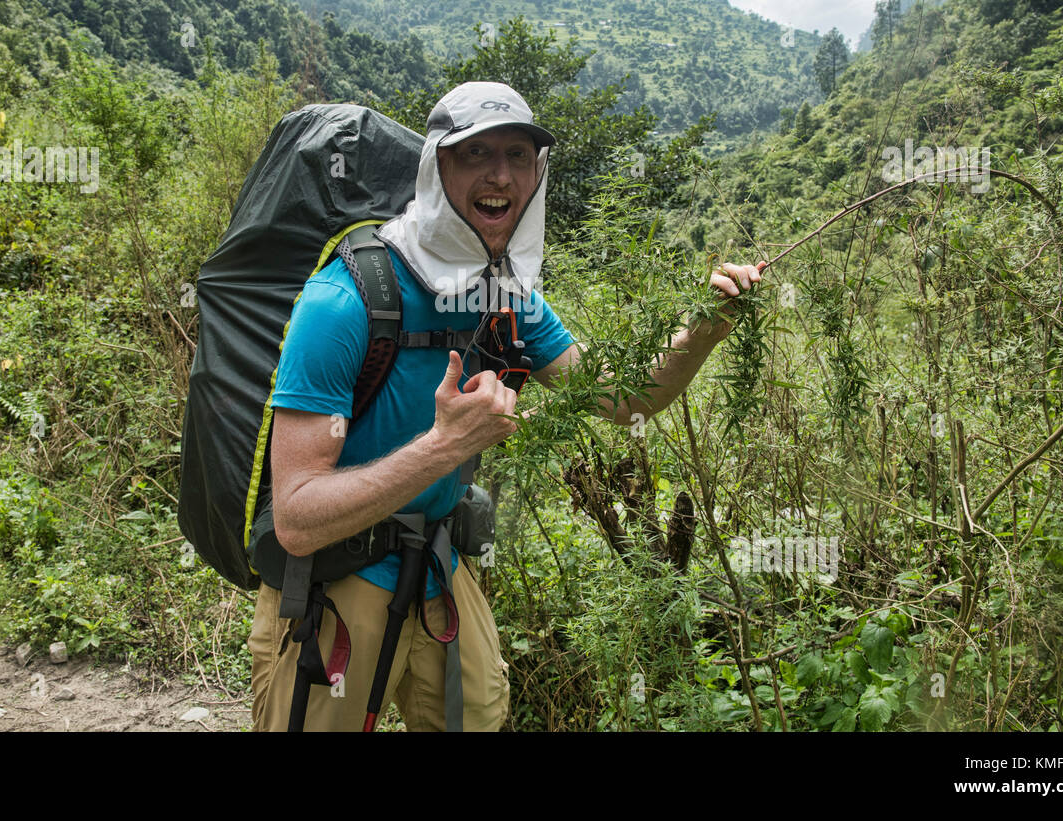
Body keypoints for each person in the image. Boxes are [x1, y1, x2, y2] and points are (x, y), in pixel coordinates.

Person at [247, 81, 764, 731]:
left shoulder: (508, 298)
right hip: (337, 580)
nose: (501, 174)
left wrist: (703, 332)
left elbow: (621, 394)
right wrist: (444, 447)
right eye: (476, 154)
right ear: (436, 169)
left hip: (439, 570)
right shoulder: (344, 300)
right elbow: (294, 516)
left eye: (520, 155)